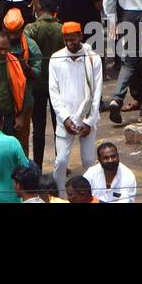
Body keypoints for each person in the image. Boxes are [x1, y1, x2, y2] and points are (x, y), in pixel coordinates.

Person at [48, 20, 101, 185]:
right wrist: (65, 119)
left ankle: (90, 194)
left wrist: (89, 121)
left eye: (73, 39)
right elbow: (53, 93)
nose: (70, 43)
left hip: (87, 120)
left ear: (80, 36)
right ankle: (59, 196)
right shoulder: (56, 59)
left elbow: (97, 93)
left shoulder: (93, 59)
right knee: (61, 161)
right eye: (66, 40)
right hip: (65, 121)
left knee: (89, 162)